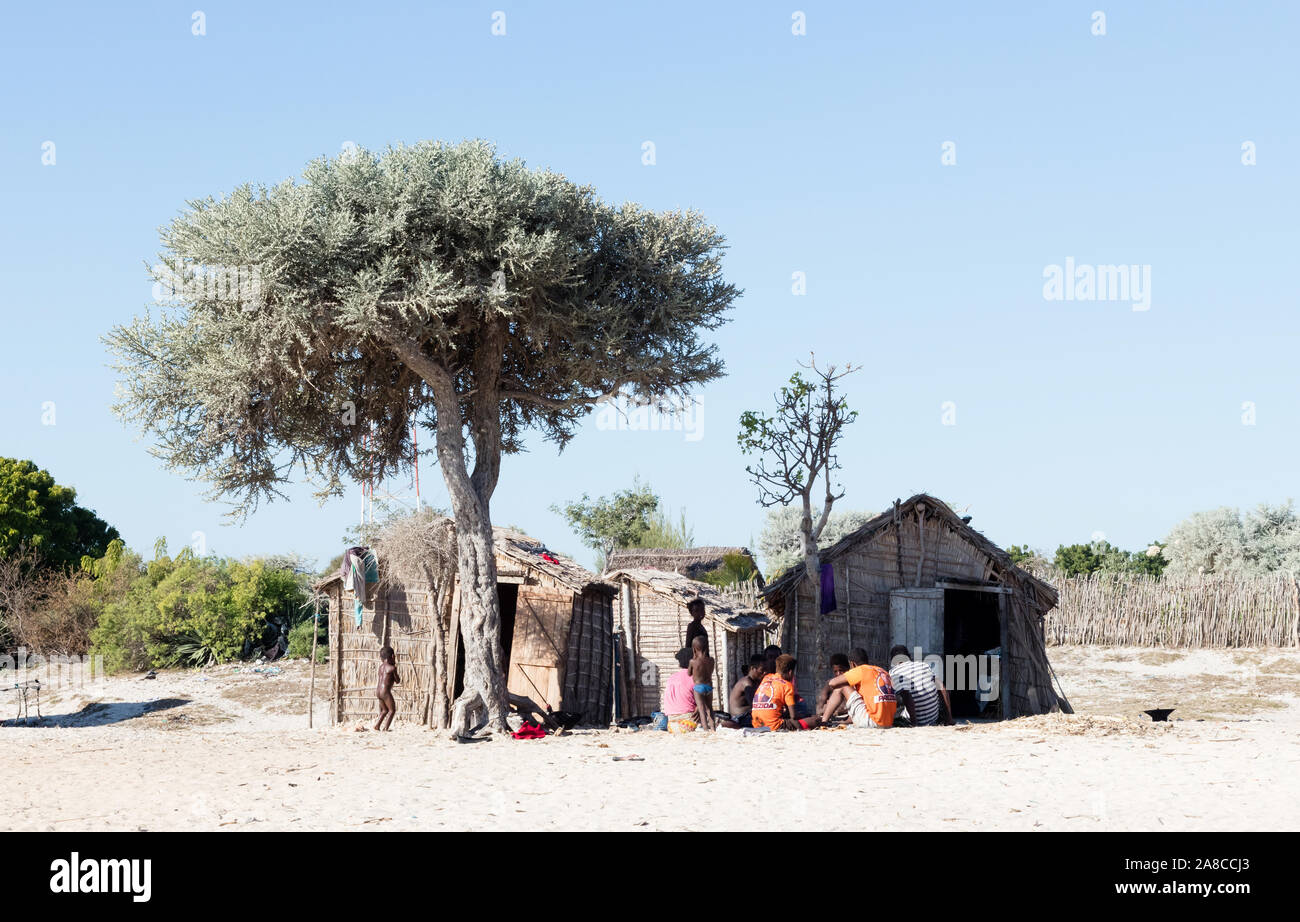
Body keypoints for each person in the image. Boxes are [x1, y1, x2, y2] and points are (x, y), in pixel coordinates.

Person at [820, 647, 896, 729]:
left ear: (852, 664)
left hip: (873, 722)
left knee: (842, 686)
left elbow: (832, 683)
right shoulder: (882, 671)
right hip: (889, 722)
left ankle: (823, 722)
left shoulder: (860, 670)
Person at [751, 654, 821, 731]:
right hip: (774, 727)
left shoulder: (766, 678)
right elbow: (793, 716)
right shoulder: (787, 685)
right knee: (816, 720)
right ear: (790, 672)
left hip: (756, 725)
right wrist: (801, 727)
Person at [888, 645, 953, 727]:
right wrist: (949, 718)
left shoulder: (894, 673)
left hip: (915, 720)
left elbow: (906, 695)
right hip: (934, 717)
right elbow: (942, 687)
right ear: (909, 657)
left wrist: (914, 723)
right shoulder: (924, 665)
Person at [662, 647, 699, 732]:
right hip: (689, 723)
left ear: (679, 664)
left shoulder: (671, 678)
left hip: (671, 724)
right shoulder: (694, 678)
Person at [688, 635, 716, 731]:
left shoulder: (693, 661)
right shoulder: (711, 660)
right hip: (708, 686)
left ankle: (705, 729)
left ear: (694, 648)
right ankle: (713, 728)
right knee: (709, 709)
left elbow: (689, 673)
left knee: (701, 709)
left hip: (698, 687)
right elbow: (711, 671)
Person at [729, 653, 766, 723]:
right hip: (740, 718)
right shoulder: (747, 682)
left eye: (766, 670)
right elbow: (755, 705)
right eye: (762, 670)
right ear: (753, 669)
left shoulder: (755, 681)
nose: (764, 673)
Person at [374, 645, 400, 731]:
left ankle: (377, 725)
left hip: (378, 691)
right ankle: (385, 728)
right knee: (392, 710)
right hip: (385, 692)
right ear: (392, 656)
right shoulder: (392, 668)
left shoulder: (381, 667)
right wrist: (395, 669)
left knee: (384, 710)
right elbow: (397, 680)